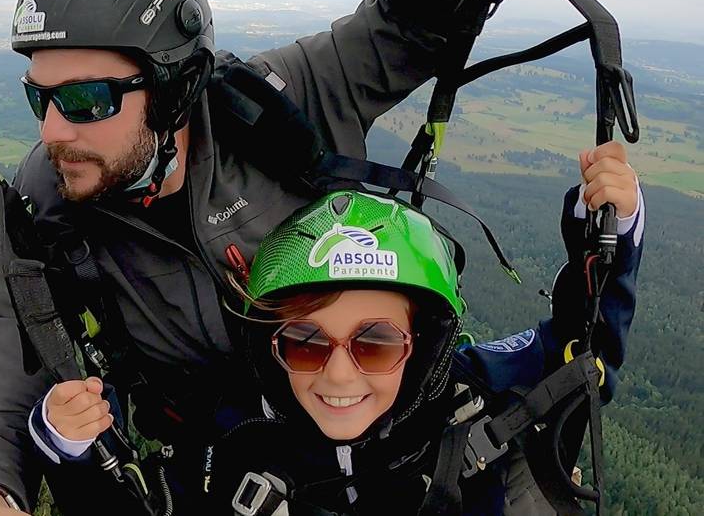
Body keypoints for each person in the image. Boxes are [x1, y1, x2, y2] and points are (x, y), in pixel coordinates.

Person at [0, 0, 494, 516]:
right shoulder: (49, 200)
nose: (55, 130)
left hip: (378, 435)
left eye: (88, 99)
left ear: (174, 88)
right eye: (42, 99)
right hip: (220, 478)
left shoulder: (276, 105)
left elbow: (431, 13)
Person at [36, 142, 643, 514]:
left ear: (423, 343)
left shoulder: (475, 399)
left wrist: (609, 232)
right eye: (304, 342)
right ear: (272, 347)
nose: (338, 372)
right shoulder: (234, 443)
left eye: (376, 343)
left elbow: (580, 357)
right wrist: (72, 448)